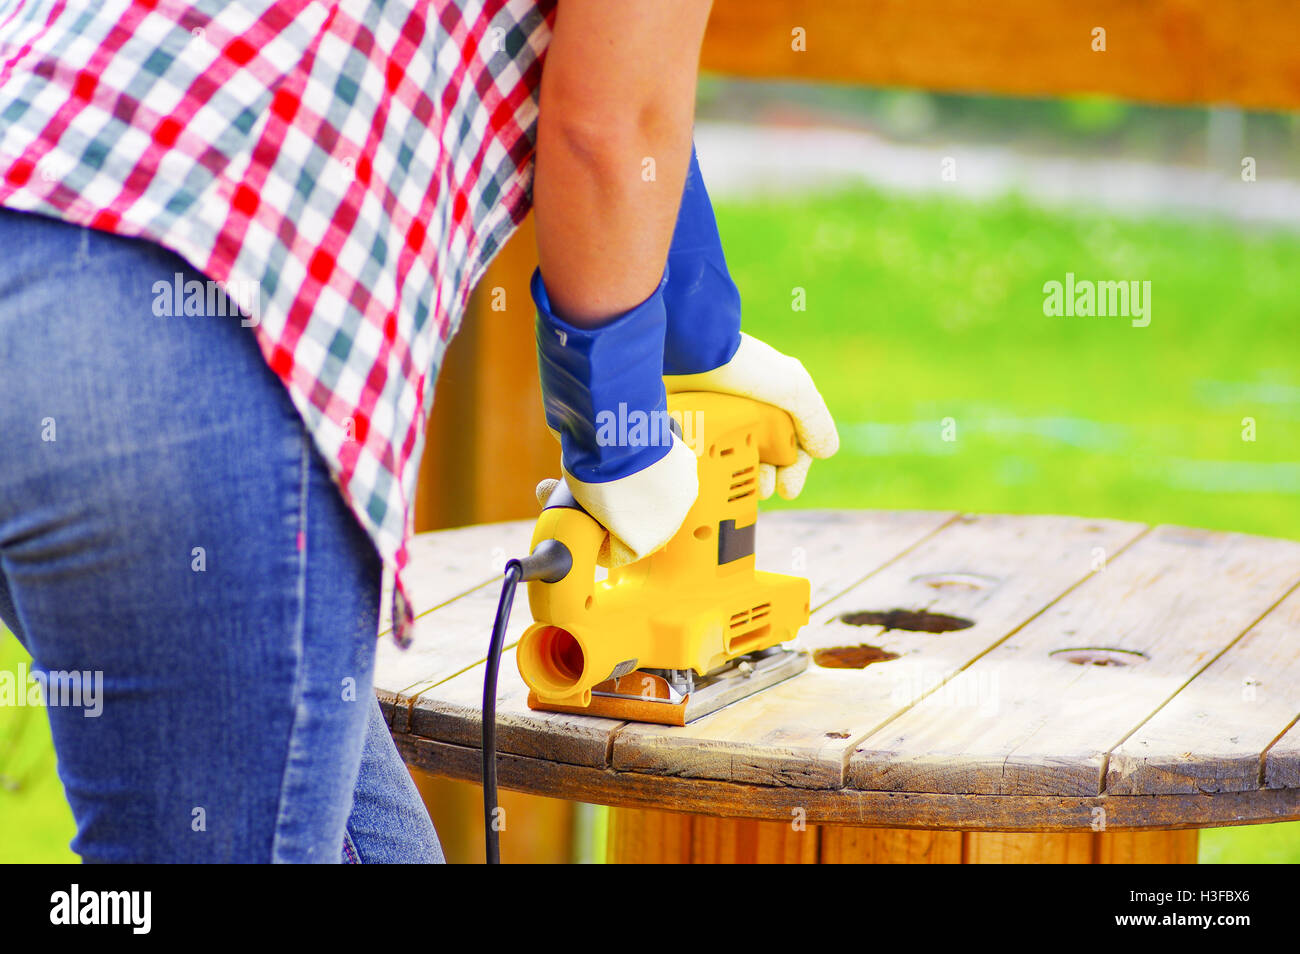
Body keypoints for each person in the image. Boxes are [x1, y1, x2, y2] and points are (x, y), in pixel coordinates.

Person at [0, 0, 836, 863]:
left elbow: (624, 76)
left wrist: (698, 339)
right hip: (188, 324)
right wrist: (616, 436)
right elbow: (608, 124)